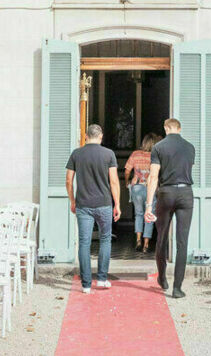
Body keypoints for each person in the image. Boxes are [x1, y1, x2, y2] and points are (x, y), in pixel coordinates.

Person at [65, 123, 121, 293]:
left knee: (84, 243)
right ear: (101, 136)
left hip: (83, 205)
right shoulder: (108, 154)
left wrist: (72, 200)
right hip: (104, 204)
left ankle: (86, 284)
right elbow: (113, 181)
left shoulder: (77, 154)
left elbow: (68, 180)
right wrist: (117, 203)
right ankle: (102, 279)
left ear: (86, 136)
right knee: (105, 239)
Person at [144, 117, 196, 298]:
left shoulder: (159, 147)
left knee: (162, 238)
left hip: (166, 193)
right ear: (179, 129)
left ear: (166, 128)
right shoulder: (190, 147)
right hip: (186, 194)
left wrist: (148, 205)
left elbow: (153, 177)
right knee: (182, 242)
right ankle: (177, 288)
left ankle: (162, 278)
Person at [124, 134, 158, 253]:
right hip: (150, 189)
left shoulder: (135, 154)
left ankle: (138, 240)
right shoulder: (156, 155)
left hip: (137, 187)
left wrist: (127, 181)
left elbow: (127, 170)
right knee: (149, 216)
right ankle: (146, 244)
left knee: (138, 214)